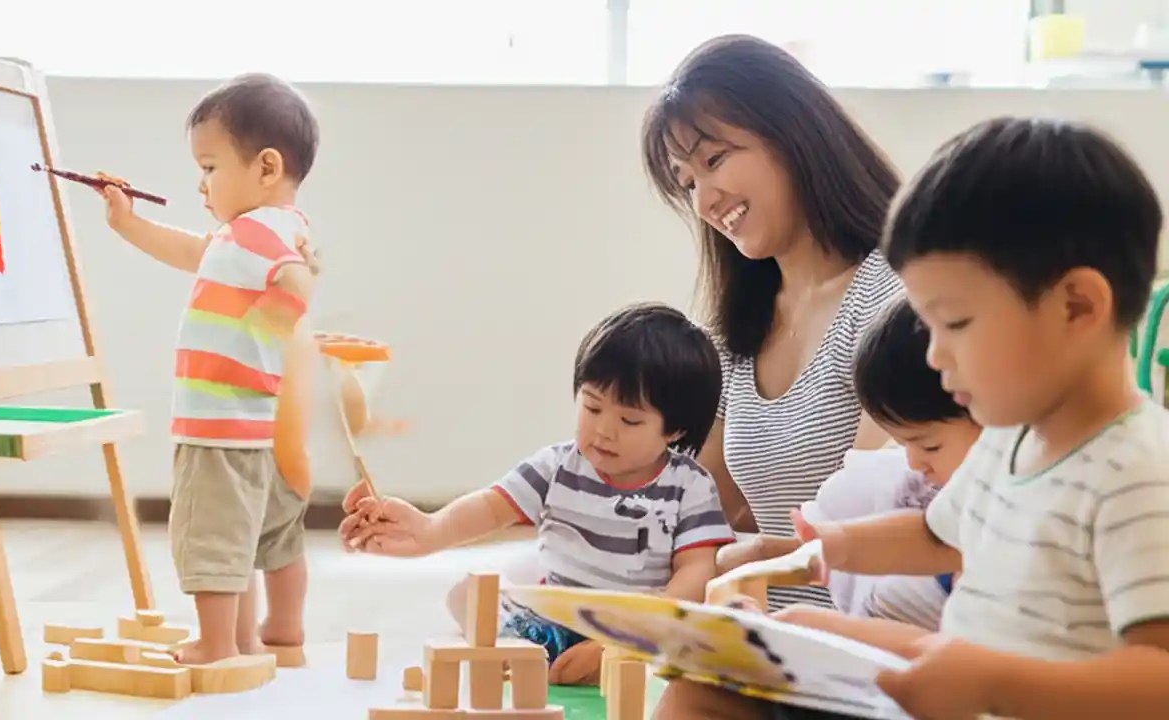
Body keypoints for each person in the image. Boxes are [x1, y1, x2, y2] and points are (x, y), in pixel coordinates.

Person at [671, 116, 1169, 719]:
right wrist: (834, 546)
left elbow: (1157, 677)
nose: (934, 356)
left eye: (955, 325)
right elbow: (937, 535)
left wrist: (992, 681)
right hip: (967, 679)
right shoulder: (1010, 444)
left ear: (1077, 306)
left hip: (1009, 697)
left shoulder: (1138, 475)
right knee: (749, 653)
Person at [640, 33, 902, 614]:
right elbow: (693, 508)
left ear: (794, 135)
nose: (706, 200)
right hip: (758, 625)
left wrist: (752, 556)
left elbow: (883, 518)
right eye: (688, 183)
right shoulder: (740, 331)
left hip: (852, 630)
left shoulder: (893, 296)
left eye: (714, 160)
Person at [340, 303, 736, 682]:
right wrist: (429, 530)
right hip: (555, 616)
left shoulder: (689, 486)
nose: (604, 431)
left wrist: (629, 637)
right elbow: (491, 507)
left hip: (634, 626)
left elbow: (696, 573)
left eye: (630, 420)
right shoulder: (559, 465)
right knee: (484, 611)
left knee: (684, 649)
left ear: (676, 429)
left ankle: (603, 656)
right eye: (593, 408)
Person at [98, 73, 320, 665]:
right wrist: (127, 223)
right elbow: (195, 253)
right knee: (262, 536)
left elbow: (297, 285)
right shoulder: (273, 230)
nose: (201, 185)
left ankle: (218, 643)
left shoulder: (251, 235)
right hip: (254, 426)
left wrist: (261, 337)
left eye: (210, 167)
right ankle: (277, 632)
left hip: (218, 422)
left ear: (266, 168)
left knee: (210, 538)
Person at [719, 294, 981, 631]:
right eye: (903, 445)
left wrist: (825, 627)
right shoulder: (962, 496)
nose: (914, 463)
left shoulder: (1016, 504)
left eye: (928, 446)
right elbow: (933, 535)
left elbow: (937, 652)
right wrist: (834, 543)